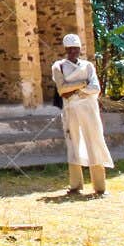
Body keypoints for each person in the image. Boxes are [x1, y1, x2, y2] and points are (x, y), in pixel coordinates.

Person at [50, 33, 114, 196]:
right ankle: (75, 185)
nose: (73, 52)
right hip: (71, 110)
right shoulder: (59, 66)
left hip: (89, 109)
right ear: (66, 50)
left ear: (79, 49)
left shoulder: (88, 66)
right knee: (74, 143)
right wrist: (81, 85)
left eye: (75, 48)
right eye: (70, 49)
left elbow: (95, 88)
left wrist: (74, 91)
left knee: (94, 141)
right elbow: (62, 89)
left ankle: (99, 187)